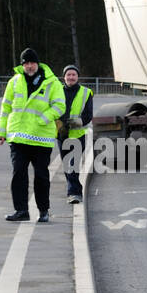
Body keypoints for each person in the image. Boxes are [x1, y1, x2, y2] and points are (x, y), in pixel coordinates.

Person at [0, 48, 65, 223]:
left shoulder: (52, 82)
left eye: (32, 62)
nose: (29, 66)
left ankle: (43, 210)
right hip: (18, 137)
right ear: (22, 65)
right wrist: (1, 132)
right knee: (18, 174)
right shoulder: (14, 82)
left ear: (38, 63)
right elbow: (5, 109)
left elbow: (60, 106)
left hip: (41, 138)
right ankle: (21, 210)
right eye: (25, 63)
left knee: (41, 176)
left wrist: (43, 118)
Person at [57, 65, 93, 204]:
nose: (71, 77)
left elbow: (88, 115)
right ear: (64, 77)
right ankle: (74, 188)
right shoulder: (56, 91)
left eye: (73, 75)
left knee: (72, 164)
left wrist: (70, 124)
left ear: (78, 77)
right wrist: (61, 127)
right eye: (68, 75)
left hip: (77, 135)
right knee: (67, 165)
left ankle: (74, 193)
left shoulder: (86, 92)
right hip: (61, 134)